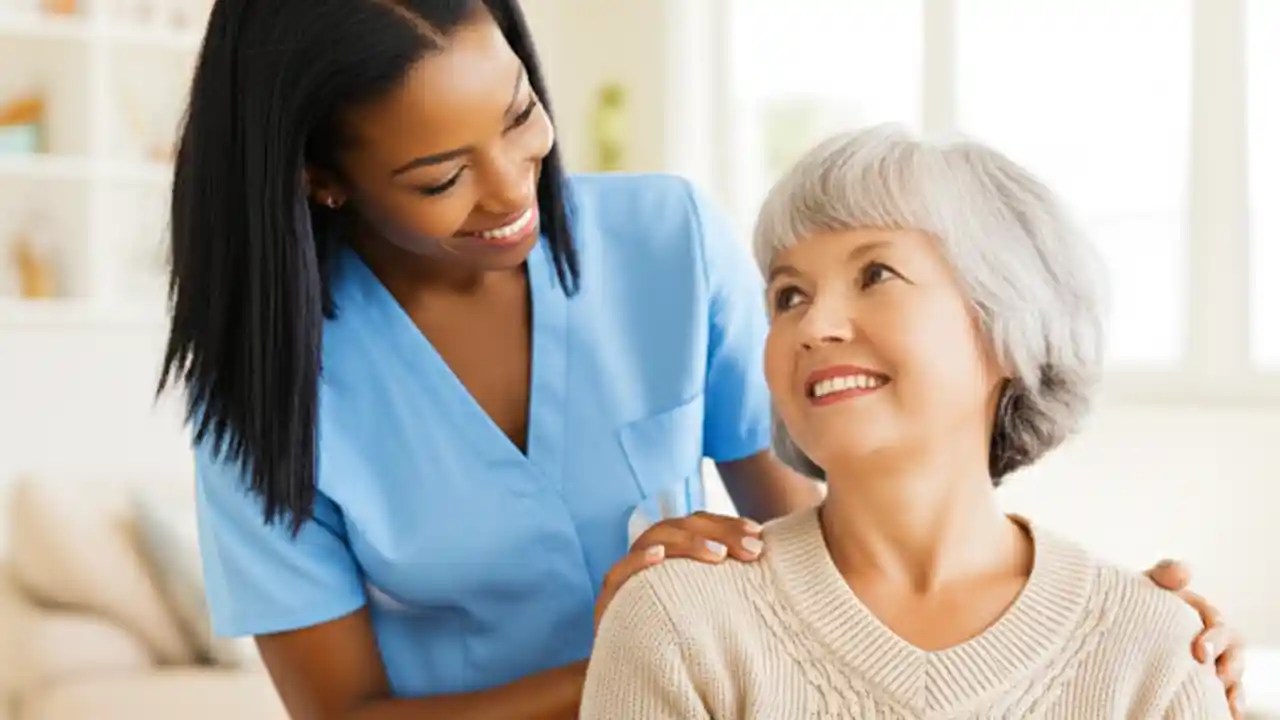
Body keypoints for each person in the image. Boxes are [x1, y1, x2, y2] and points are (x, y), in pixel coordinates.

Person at [160, 2, 1242, 717]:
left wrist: (1109, 625)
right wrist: (656, 653)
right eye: (442, 176)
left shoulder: (662, 239)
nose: (511, 192)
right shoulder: (265, 391)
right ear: (323, 180)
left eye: (523, 118)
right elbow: (338, 713)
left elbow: (839, 513)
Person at [581, 127, 1238, 718]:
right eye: (789, 296)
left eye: (876, 275)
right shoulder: (676, 623)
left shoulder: (1152, 654)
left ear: (1006, 328)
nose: (814, 326)